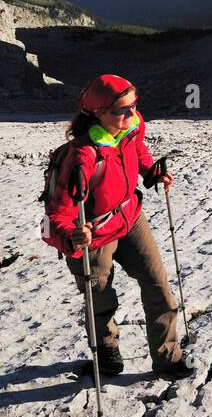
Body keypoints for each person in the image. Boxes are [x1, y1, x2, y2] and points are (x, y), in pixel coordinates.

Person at [46, 73, 195, 379]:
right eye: (122, 110)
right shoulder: (81, 156)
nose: (132, 114)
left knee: (158, 286)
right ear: (98, 113)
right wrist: (71, 236)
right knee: (99, 298)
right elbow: (53, 216)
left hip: (130, 217)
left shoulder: (132, 127)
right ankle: (107, 354)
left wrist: (152, 172)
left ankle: (167, 357)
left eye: (134, 105)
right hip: (93, 234)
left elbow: (137, 152)